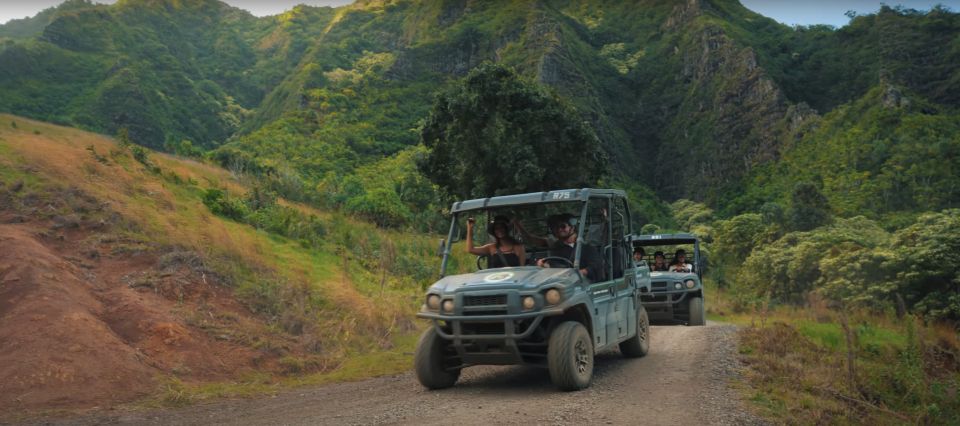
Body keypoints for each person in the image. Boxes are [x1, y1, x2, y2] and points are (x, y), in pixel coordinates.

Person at [535, 213, 604, 282]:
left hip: (583, 285)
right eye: (556, 227)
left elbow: (595, 267)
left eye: (563, 226)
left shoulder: (586, 247)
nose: (559, 229)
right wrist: (543, 264)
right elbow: (554, 266)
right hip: (561, 283)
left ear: (572, 227)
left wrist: (577, 274)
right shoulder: (556, 248)